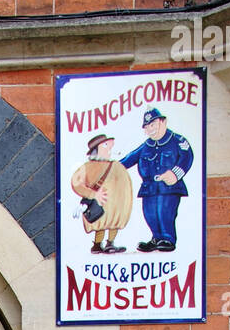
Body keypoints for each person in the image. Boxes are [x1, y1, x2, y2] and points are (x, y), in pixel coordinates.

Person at [120, 107, 194, 253]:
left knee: (164, 212)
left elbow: (187, 157)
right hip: (149, 188)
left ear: (163, 122)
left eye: (153, 124)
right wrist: (113, 168)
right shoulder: (146, 145)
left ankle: (168, 239)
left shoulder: (177, 140)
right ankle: (157, 238)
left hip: (169, 187)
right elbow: (130, 159)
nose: (150, 129)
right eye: (147, 127)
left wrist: (175, 174)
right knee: (150, 213)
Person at [70, 133, 133, 254]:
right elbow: (76, 183)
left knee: (113, 221)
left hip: (115, 205)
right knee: (100, 221)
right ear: (96, 149)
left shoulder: (116, 165)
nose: (109, 148)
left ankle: (110, 243)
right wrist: (92, 194)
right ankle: (97, 244)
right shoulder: (87, 167)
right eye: (105, 145)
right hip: (98, 205)